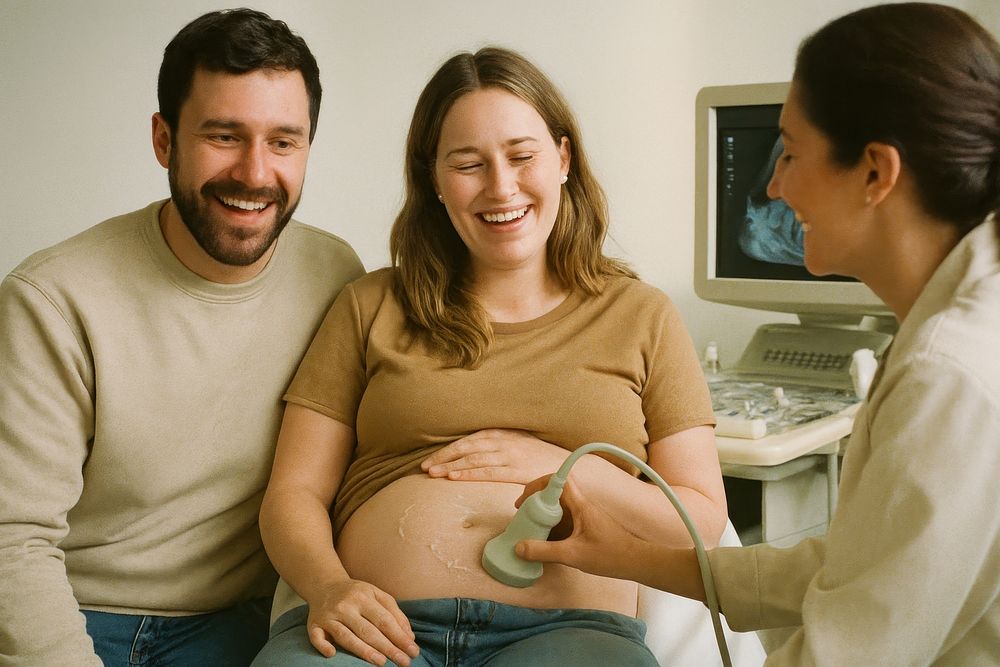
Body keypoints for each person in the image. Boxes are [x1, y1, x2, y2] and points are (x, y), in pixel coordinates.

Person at [516, 3, 1000, 665]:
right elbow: (857, 569)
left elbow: (851, 651)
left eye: (791, 154)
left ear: (875, 172)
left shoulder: (952, 373)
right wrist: (632, 556)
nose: (773, 184)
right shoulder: (952, 326)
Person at [251, 47, 728, 666]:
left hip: (568, 634)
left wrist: (561, 465)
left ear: (563, 158)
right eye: (468, 164)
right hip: (374, 631)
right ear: (434, 179)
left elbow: (699, 522)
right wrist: (327, 588)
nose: (501, 187)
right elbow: (293, 493)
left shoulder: (642, 316)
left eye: (522, 156)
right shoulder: (370, 304)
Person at [0, 8, 364, 665]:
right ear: (164, 140)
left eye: (283, 142)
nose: (255, 173)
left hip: (242, 624)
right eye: (224, 136)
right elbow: (11, 537)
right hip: (75, 612)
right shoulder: (53, 298)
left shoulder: (336, 276)